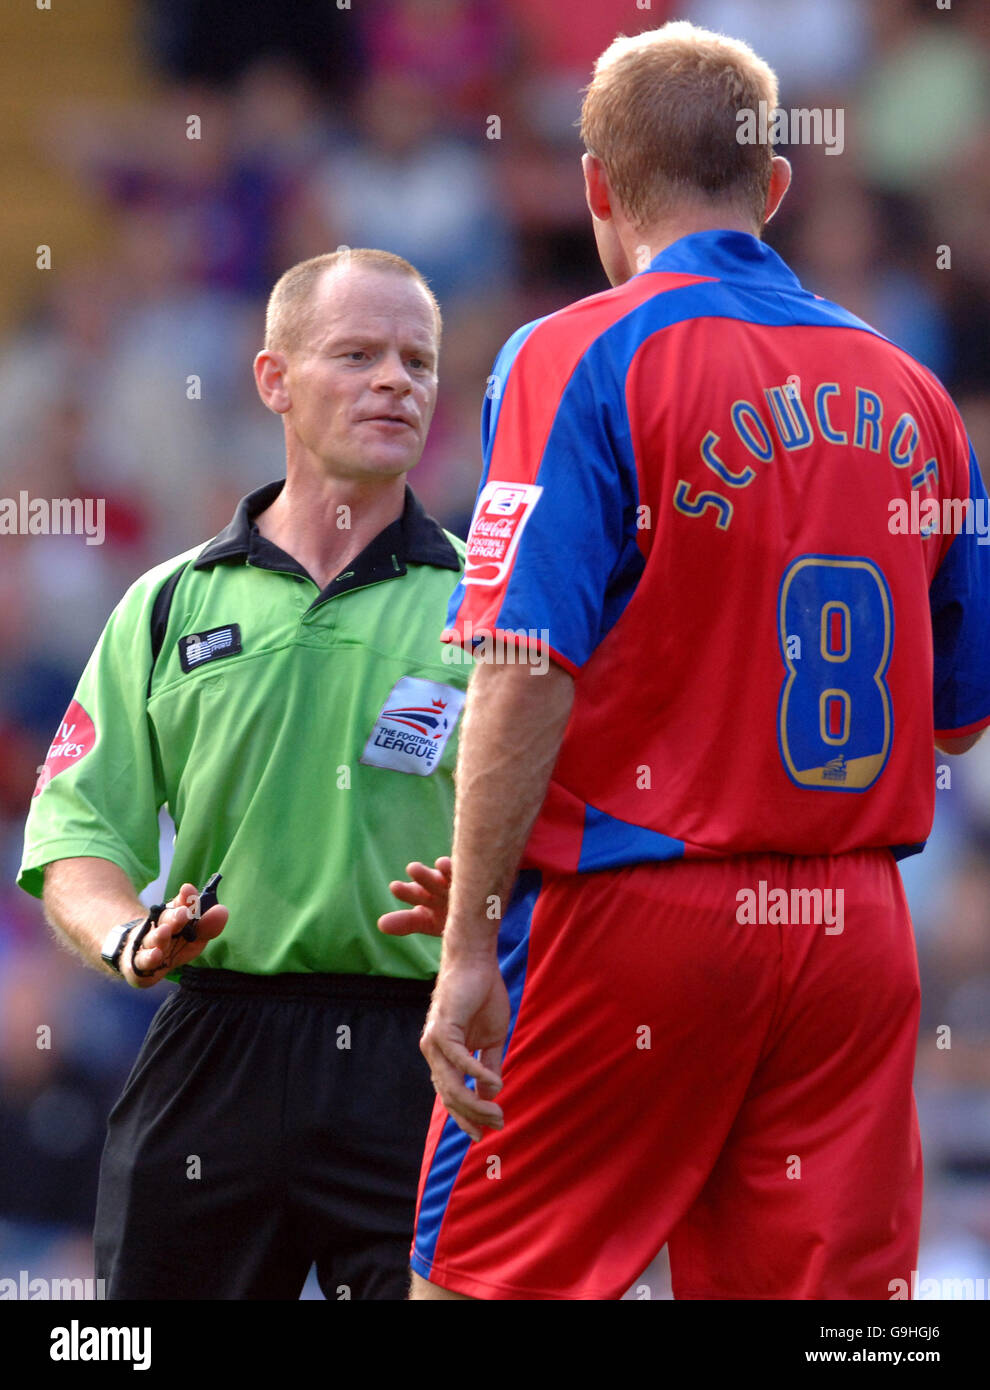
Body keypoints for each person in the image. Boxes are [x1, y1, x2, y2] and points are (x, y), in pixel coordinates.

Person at [386, 22, 990, 1300]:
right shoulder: (916, 391)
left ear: (598, 185)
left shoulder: (577, 352)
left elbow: (522, 665)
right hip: (855, 932)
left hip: (637, 914)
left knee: (484, 1283)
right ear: (774, 190)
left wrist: (472, 934)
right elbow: (956, 721)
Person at [18, 247, 471, 1300]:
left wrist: (495, 902)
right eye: (357, 353)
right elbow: (78, 832)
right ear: (273, 380)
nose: (396, 380)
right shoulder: (167, 605)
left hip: (421, 1048)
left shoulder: (487, 606)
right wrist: (128, 935)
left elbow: (565, 830)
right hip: (213, 1042)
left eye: (417, 359)